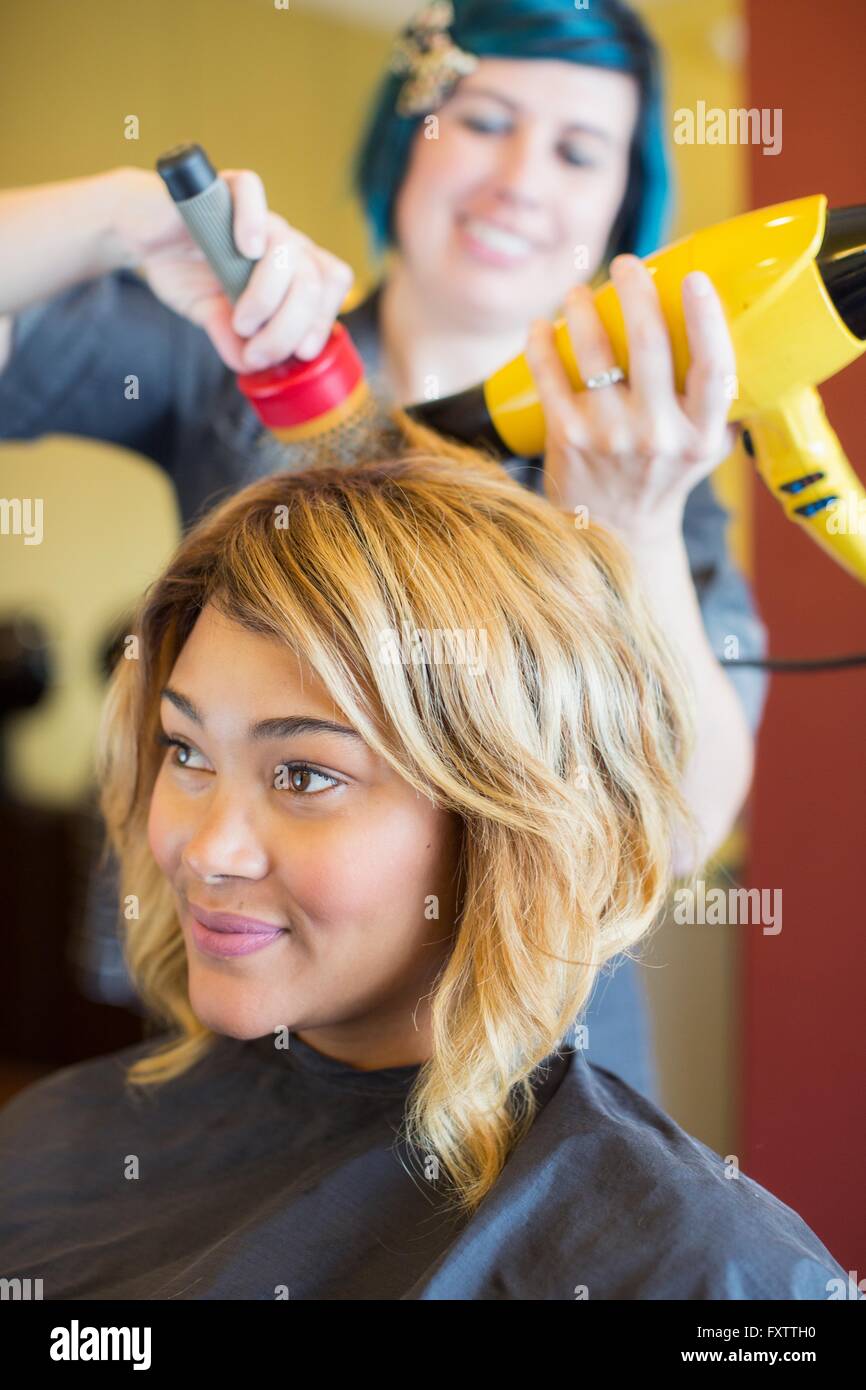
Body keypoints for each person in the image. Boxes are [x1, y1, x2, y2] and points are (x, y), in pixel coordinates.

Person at [0, 0, 769, 1102]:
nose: (518, 178)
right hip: (243, 975)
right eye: (483, 118)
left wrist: (632, 524)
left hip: (529, 1049)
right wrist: (116, 217)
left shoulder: (650, 453)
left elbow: (682, 828)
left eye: (576, 149)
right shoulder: (242, 349)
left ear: (618, 207)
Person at [0, 428, 850, 1300]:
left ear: (502, 819)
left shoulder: (706, 1271)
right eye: (186, 752)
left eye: (304, 775)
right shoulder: (48, 1141)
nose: (207, 848)